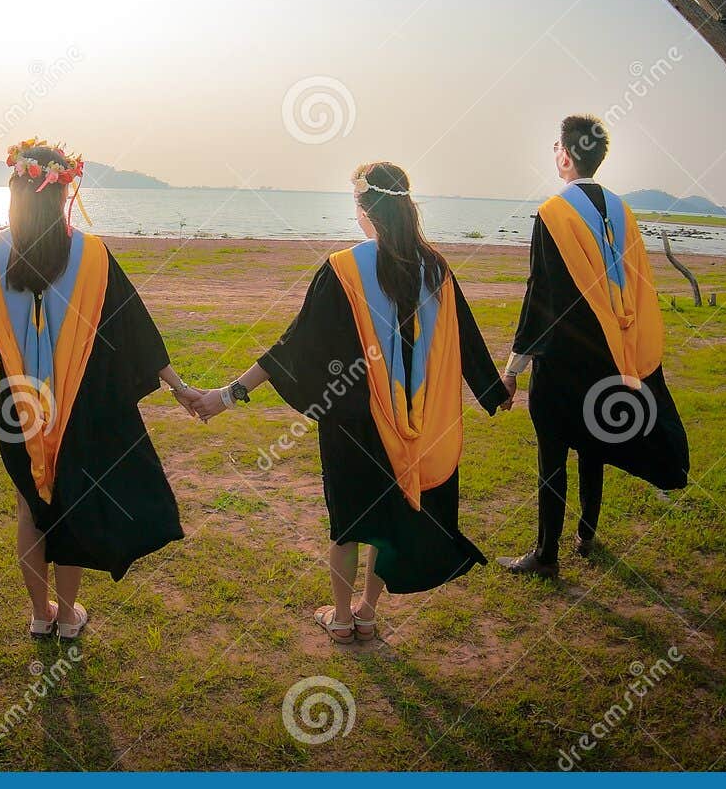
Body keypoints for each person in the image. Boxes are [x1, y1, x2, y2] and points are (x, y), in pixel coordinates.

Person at [192, 162, 511, 643]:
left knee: (348, 522)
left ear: (365, 209)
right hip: (412, 420)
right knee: (388, 514)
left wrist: (229, 394)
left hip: (351, 420)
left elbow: (295, 345)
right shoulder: (435, 268)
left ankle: (340, 616)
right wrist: (493, 390)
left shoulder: (344, 268)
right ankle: (366, 611)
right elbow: (464, 337)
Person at [0, 140, 195, 639]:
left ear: (14, 189)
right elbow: (134, 328)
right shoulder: (93, 256)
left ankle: (41, 614)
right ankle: (70, 614)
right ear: (62, 194)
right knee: (69, 501)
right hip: (81, 409)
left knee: (29, 507)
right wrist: (179, 387)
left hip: (18, 411)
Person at [499, 114, 690, 578]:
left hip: (564, 362)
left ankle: (546, 555)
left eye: (555, 147)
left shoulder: (553, 214)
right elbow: (638, 284)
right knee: (594, 443)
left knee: (553, 454)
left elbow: (539, 295)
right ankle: (586, 533)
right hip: (612, 354)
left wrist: (512, 368)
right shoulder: (622, 211)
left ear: (565, 155)